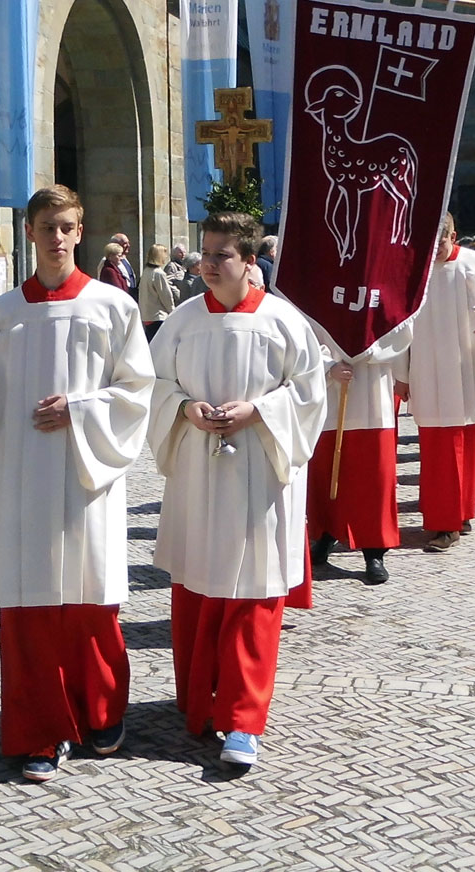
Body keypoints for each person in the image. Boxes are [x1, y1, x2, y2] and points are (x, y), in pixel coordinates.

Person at [0, 185, 154, 782]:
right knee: (32, 605)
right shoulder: (3, 313)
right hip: (23, 476)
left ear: (80, 229)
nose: (58, 238)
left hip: (86, 473)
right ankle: (40, 730)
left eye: (67, 226)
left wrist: (81, 407)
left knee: (91, 599)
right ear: (30, 232)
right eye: (47, 227)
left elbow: (136, 391)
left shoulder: (112, 308)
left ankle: (98, 712)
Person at [147, 211, 326, 769]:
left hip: (259, 475)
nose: (207, 264)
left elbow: (309, 393)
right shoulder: (181, 321)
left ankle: (244, 722)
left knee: (253, 592)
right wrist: (184, 408)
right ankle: (199, 703)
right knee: (197, 587)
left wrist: (260, 411)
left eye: (221, 255)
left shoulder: (283, 321)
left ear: (250, 261)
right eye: (205, 253)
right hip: (199, 471)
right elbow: (151, 384)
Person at [401, 213, 475, 552]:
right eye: (428, 244)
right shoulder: (410, 271)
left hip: (471, 368)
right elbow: (399, 325)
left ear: (454, 235)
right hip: (430, 370)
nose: (434, 251)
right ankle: (442, 523)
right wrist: (400, 375)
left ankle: (462, 513)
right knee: (440, 452)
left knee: (471, 446)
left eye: (442, 241)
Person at [307, 336, 408, 585]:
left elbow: (399, 332)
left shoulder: (382, 294)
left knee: (373, 475)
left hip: (372, 391)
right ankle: (326, 533)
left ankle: (374, 552)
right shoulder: (314, 295)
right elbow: (306, 333)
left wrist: (369, 353)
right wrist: (328, 365)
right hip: (329, 394)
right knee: (327, 471)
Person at [138, 243, 175, 341]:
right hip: (158, 316)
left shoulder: (146, 271)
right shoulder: (159, 274)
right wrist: (173, 312)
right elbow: (166, 296)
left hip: (147, 316)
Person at [97, 232, 137, 300]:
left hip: (130, 294)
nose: (128, 245)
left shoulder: (124, 258)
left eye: (128, 243)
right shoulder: (106, 261)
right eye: (125, 243)